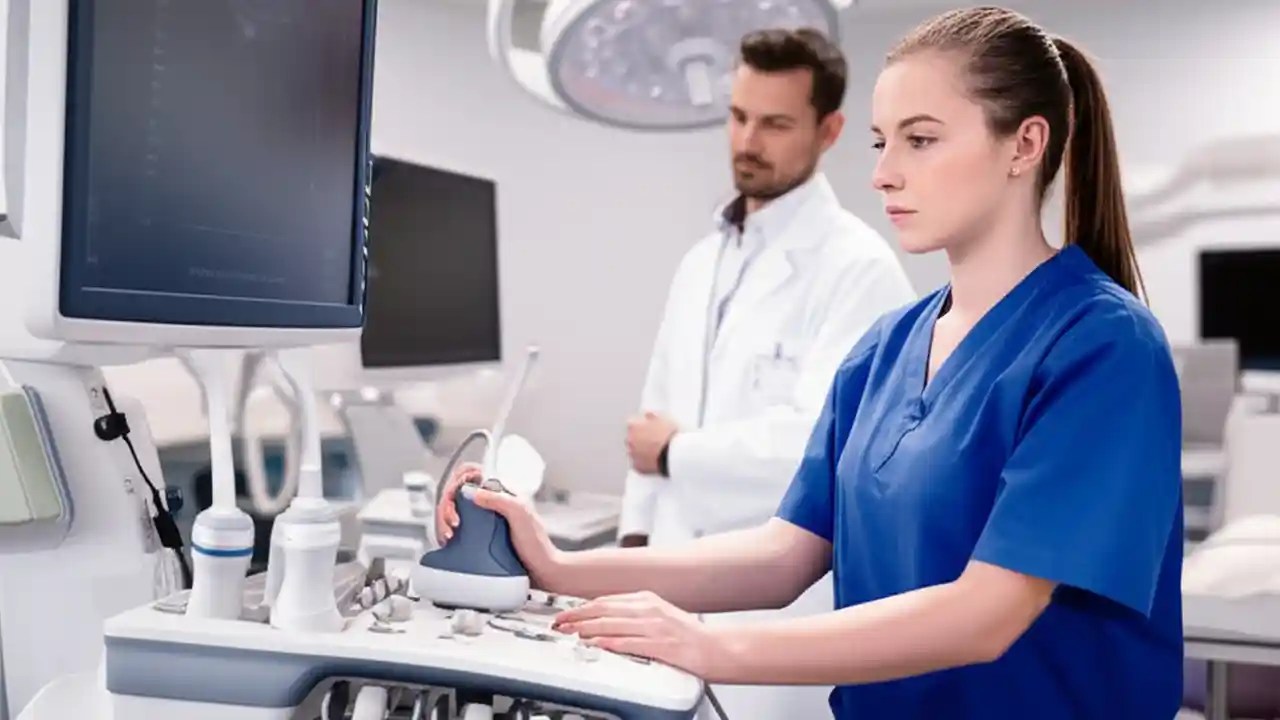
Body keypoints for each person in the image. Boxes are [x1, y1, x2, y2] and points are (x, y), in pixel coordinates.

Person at [438, 6, 1184, 719]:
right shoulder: (885, 350)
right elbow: (784, 556)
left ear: (1024, 145)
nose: (885, 174)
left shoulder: (1105, 346)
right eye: (880, 142)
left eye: (920, 140)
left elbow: (986, 614)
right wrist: (559, 565)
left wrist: (708, 646)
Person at [615, 26, 914, 719]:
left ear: (830, 130)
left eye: (776, 123)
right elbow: (651, 414)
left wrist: (676, 452)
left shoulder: (859, 270)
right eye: (739, 116)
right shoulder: (701, 262)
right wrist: (632, 546)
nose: (748, 141)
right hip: (668, 596)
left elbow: (823, 453)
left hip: (775, 627)